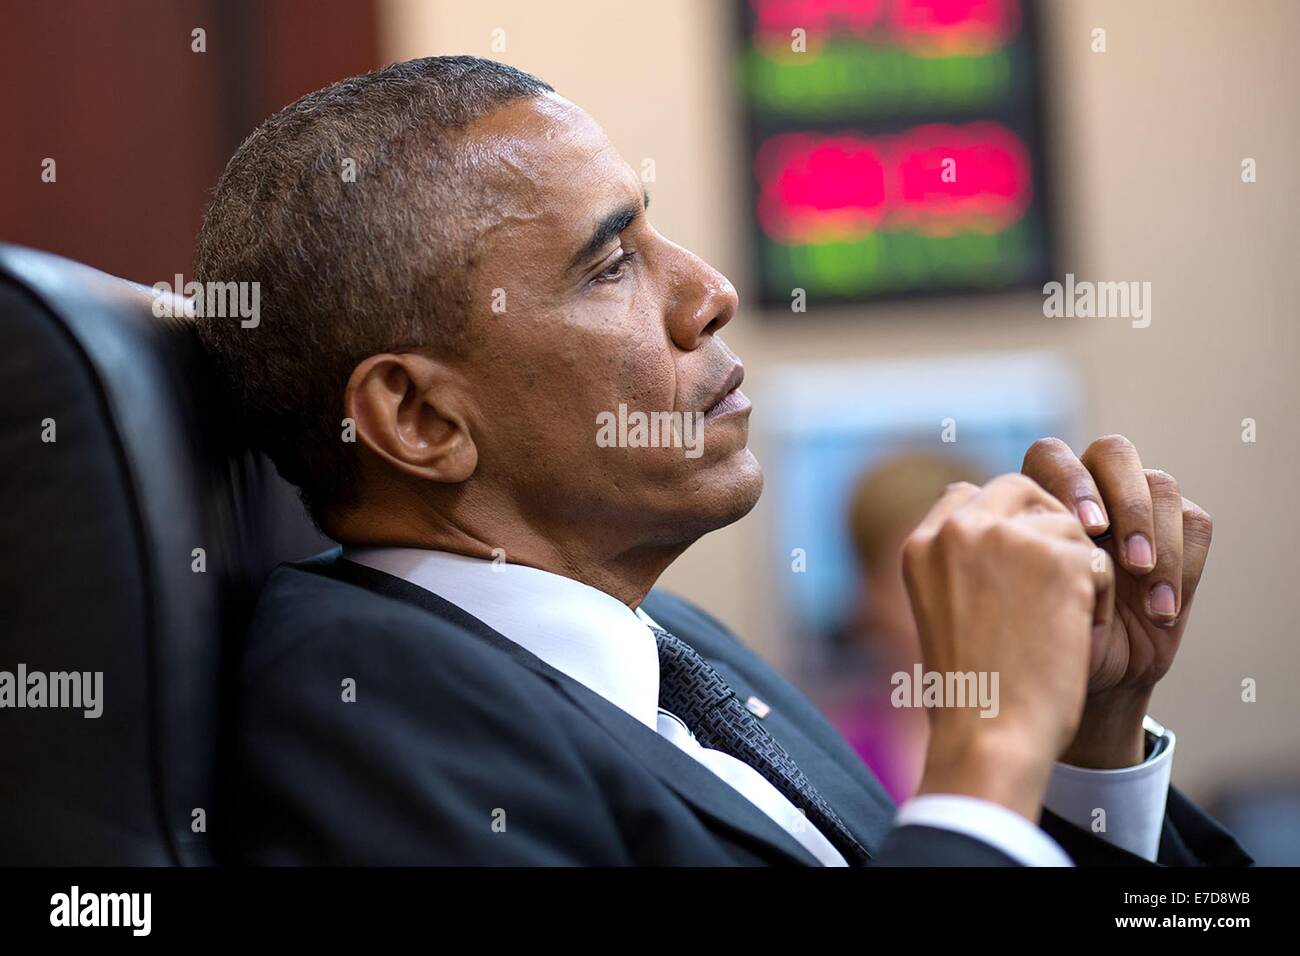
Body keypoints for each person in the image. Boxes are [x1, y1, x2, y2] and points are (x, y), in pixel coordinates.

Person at [195, 56, 1250, 866]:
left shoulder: (679, 650)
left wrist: (1085, 743)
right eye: (609, 265)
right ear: (419, 416)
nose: (709, 292)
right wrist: (985, 758)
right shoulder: (353, 711)